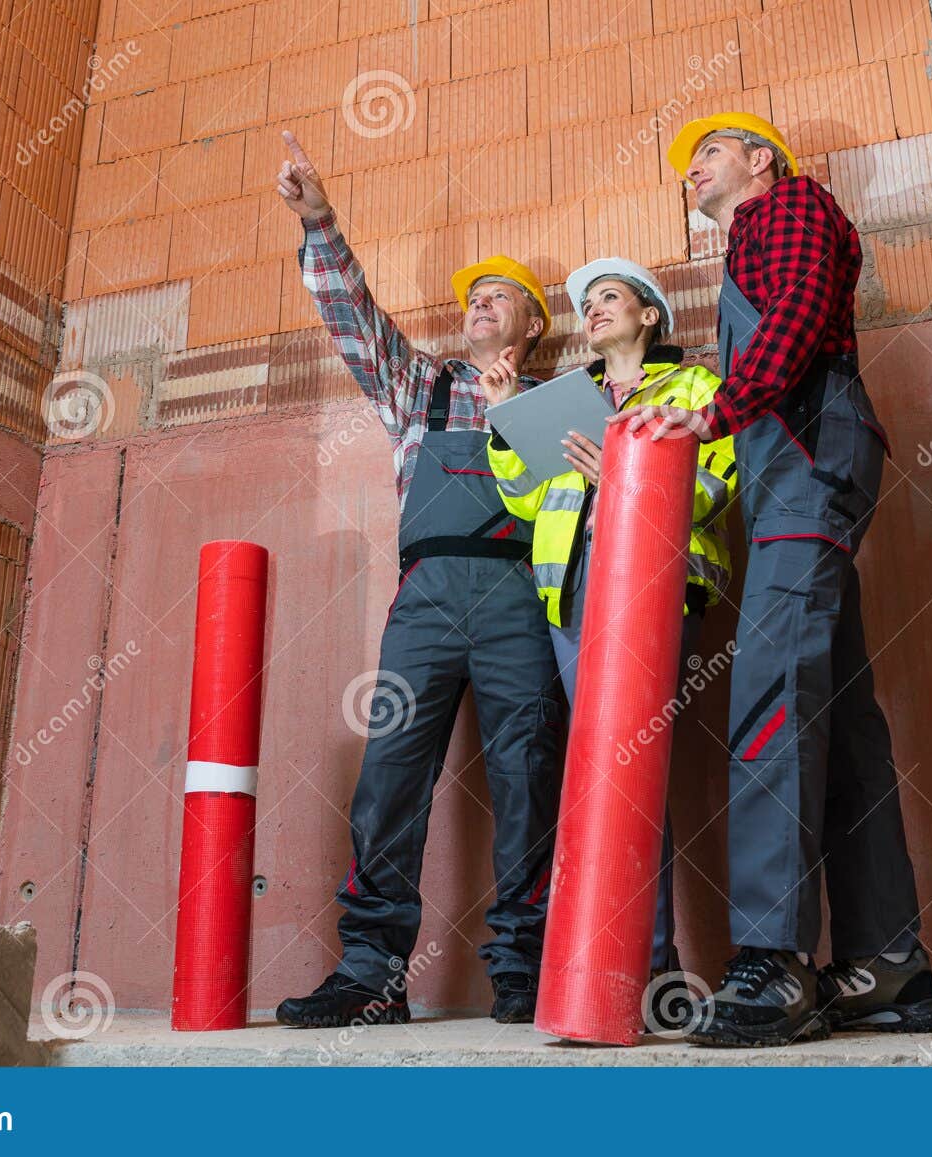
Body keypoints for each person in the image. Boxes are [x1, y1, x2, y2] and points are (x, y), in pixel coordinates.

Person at [616, 113, 932, 1046]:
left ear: (759, 162)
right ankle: (888, 966)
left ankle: (774, 961)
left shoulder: (789, 206)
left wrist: (716, 407)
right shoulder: (747, 249)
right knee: (837, 715)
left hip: (810, 463)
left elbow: (798, 312)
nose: (694, 172)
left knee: (766, 692)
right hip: (794, 480)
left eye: (708, 154)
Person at [272, 130, 564, 1028]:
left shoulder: (567, 398)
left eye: (500, 296)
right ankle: (371, 969)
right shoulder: (422, 387)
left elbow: (591, 500)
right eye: (473, 296)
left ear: (533, 323)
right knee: (391, 770)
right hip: (427, 600)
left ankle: (526, 965)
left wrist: (522, 412)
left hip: (524, 597)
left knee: (529, 770)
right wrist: (321, 223)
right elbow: (353, 320)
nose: (480, 304)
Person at [482, 258, 737, 1023]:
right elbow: (527, 497)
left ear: (650, 315)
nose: (592, 311)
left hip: (652, 576)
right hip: (570, 593)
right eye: (585, 304)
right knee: (598, 774)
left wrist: (627, 471)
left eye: (609, 298)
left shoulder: (695, 390)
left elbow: (718, 481)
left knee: (633, 768)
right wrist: (504, 417)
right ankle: (603, 971)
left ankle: (648, 972)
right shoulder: (571, 400)